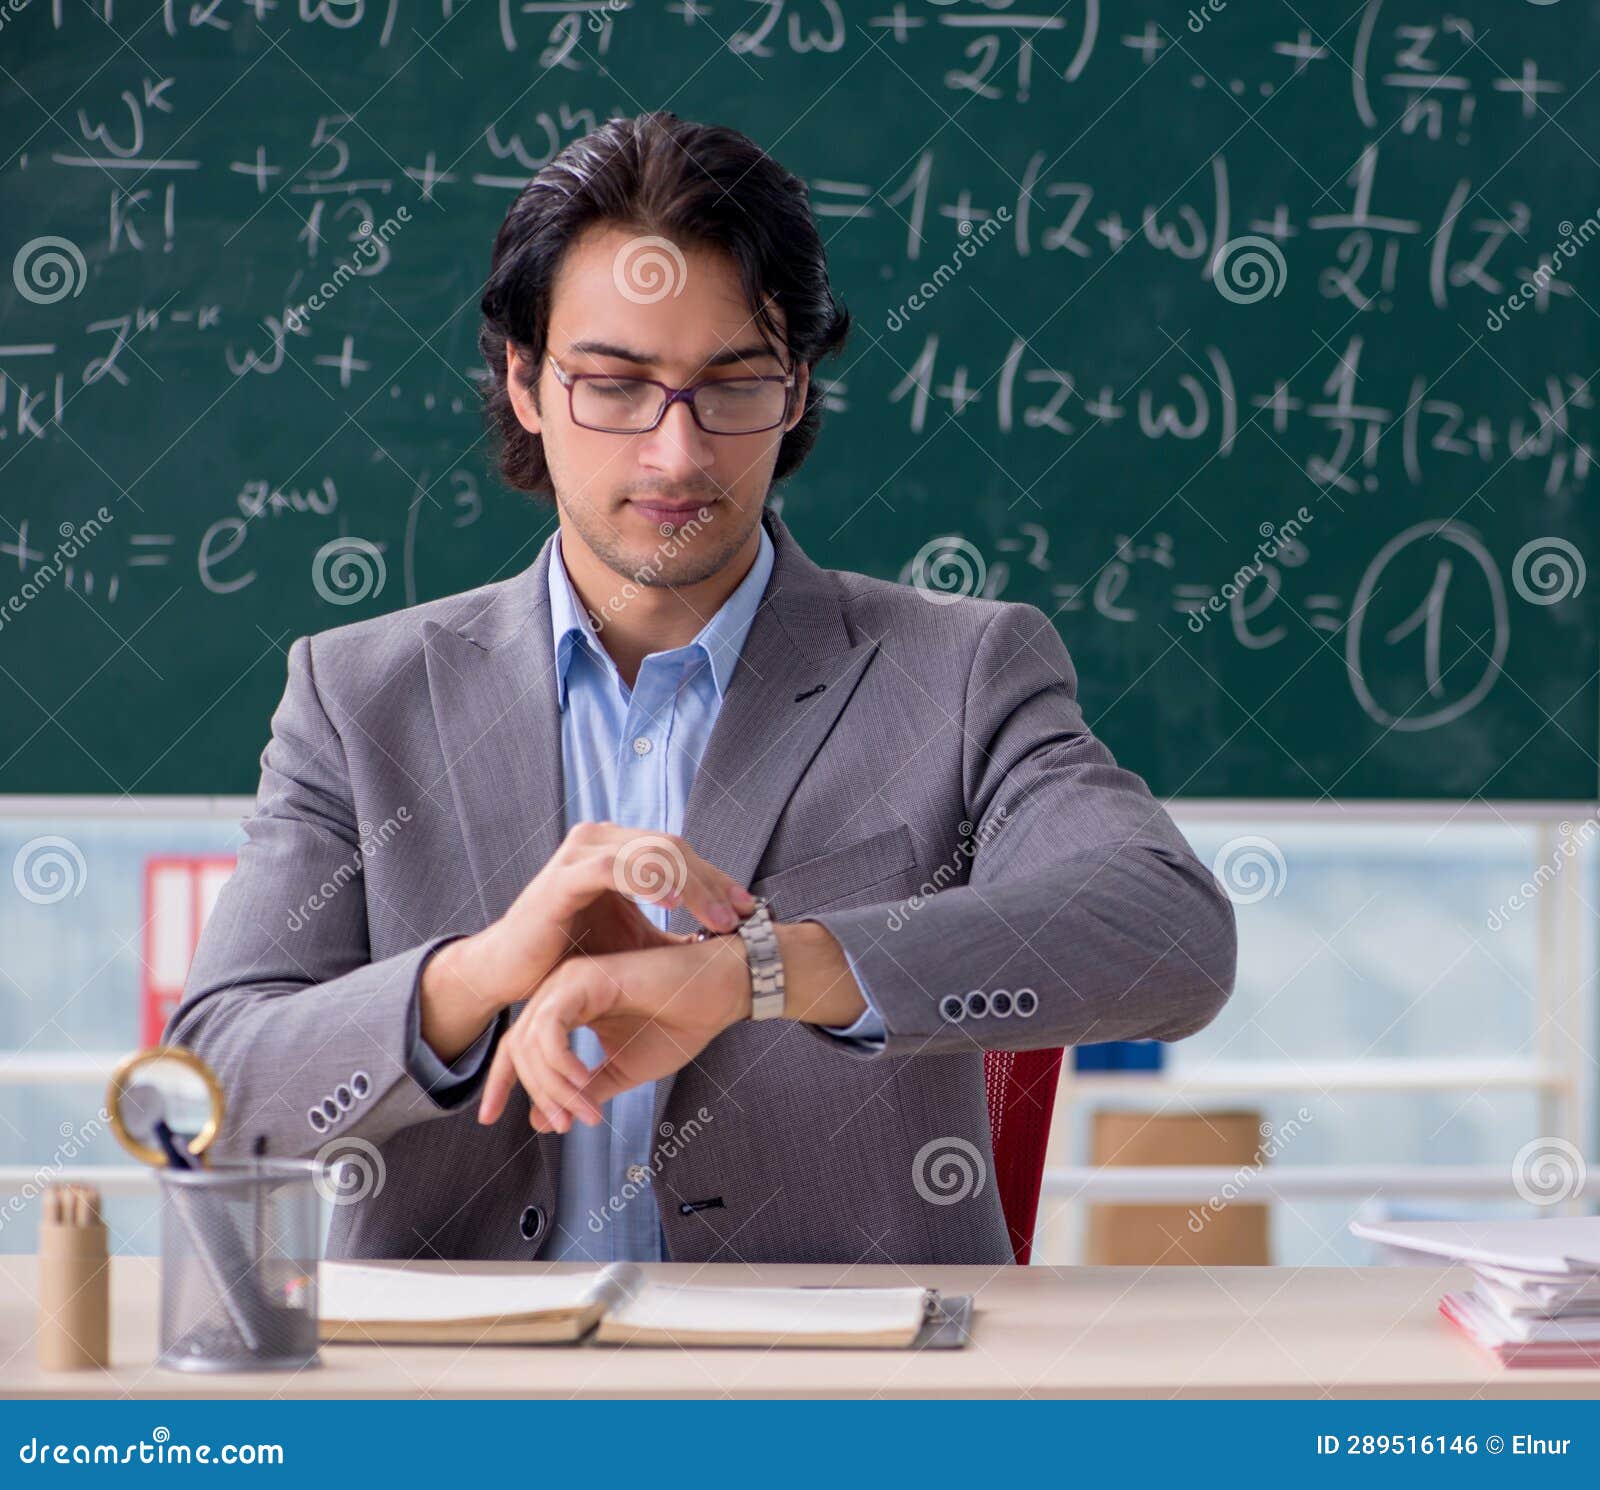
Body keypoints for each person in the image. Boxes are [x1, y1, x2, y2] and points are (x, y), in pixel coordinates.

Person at [169, 111, 1236, 1266]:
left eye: (731, 385)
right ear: (523, 380)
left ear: (798, 385)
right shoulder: (359, 694)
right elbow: (210, 1091)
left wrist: (751, 972)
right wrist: (479, 974)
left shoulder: (960, 671)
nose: (677, 455)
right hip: (462, 1413)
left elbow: (1169, 934)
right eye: (616, 386)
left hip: (836, 1417)